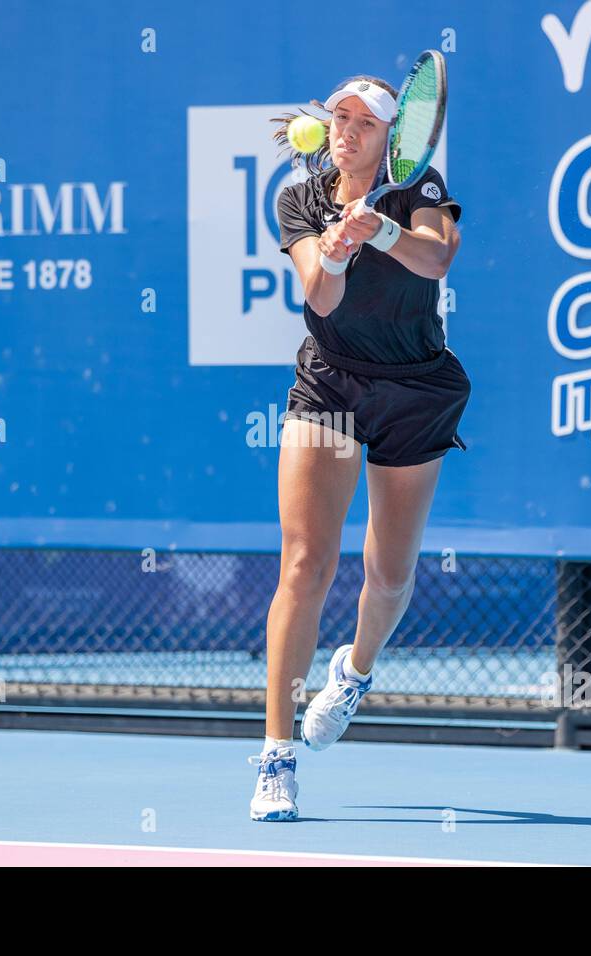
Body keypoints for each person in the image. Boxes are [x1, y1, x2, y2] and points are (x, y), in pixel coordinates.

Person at [248, 76, 469, 821]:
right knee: (306, 563)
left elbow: (437, 260)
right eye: (337, 118)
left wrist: (378, 230)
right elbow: (321, 297)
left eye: (365, 123)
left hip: (417, 388)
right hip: (332, 384)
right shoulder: (300, 200)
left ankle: (354, 673)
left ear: (394, 138)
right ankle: (276, 757)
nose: (346, 130)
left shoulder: (420, 187)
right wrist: (337, 249)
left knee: (390, 571)